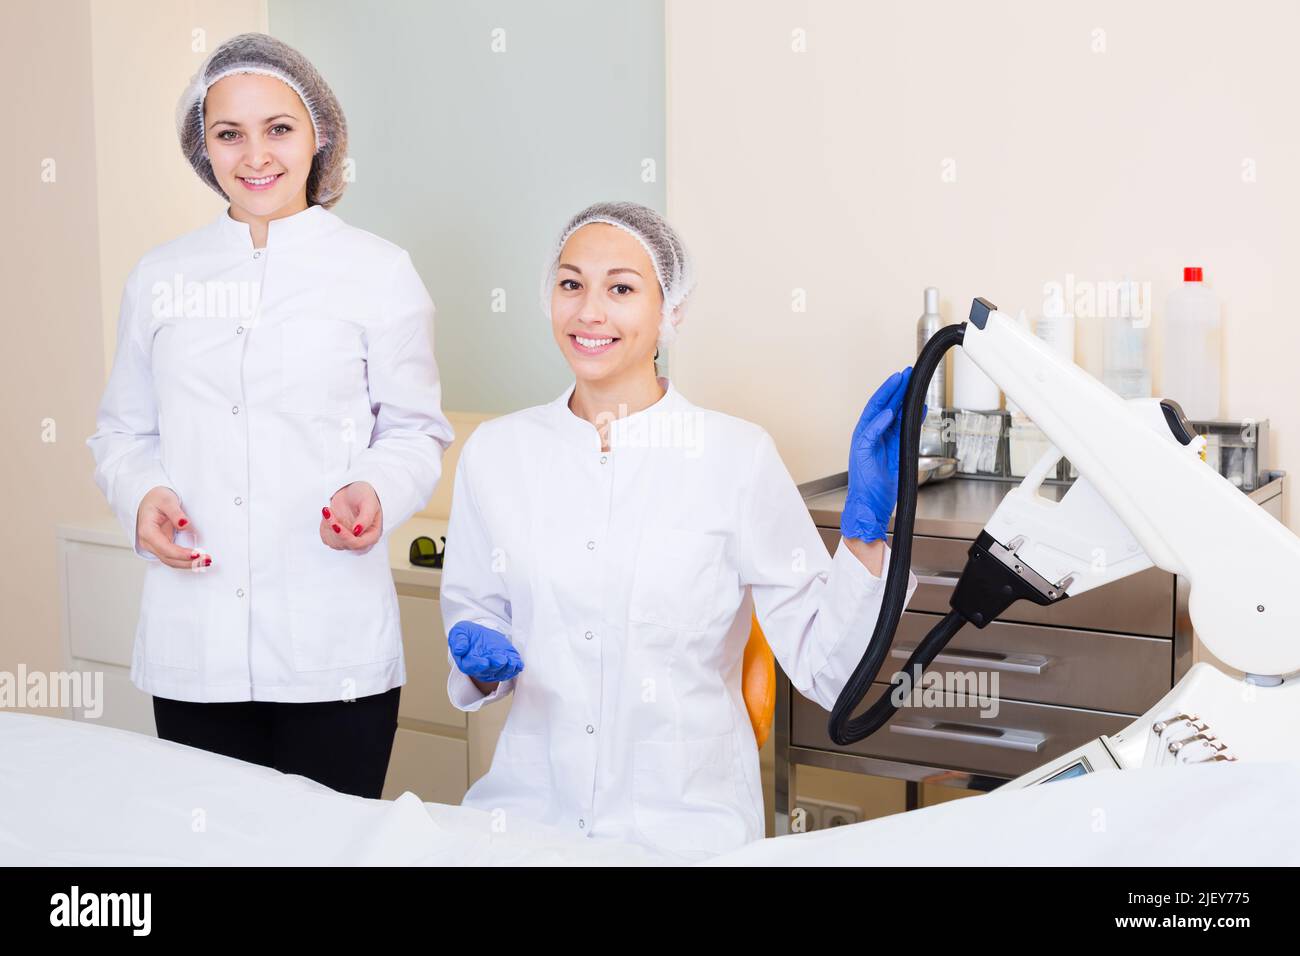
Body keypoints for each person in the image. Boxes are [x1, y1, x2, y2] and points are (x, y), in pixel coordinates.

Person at [439, 201, 918, 860]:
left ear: (671, 311)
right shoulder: (498, 453)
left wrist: (865, 534)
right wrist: (478, 662)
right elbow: (474, 612)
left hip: (685, 827)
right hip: (529, 816)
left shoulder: (735, 457)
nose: (589, 312)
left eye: (622, 289)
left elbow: (829, 669)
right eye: (571, 283)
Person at [86, 33, 453, 798]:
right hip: (197, 650)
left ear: (319, 134)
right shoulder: (161, 277)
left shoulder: (377, 272)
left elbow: (415, 431)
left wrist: (375, 493)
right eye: (229, 133)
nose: (255, 155)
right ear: (203, 147)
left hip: (334, 651)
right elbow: (124, 432)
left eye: (278, 128)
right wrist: (143, 496)